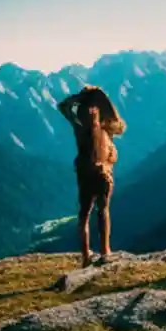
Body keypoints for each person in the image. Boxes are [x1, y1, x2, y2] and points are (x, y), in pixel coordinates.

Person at [56, 85, 126, 267]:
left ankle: (86, 254)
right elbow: (120, 125)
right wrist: (100, 96)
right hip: (103, 171)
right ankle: (105, 251)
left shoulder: (79, 126)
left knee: (84, 213)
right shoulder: (108, 127)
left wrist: (77, 98)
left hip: (84, 171)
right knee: (103, 210)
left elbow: (63, 107)